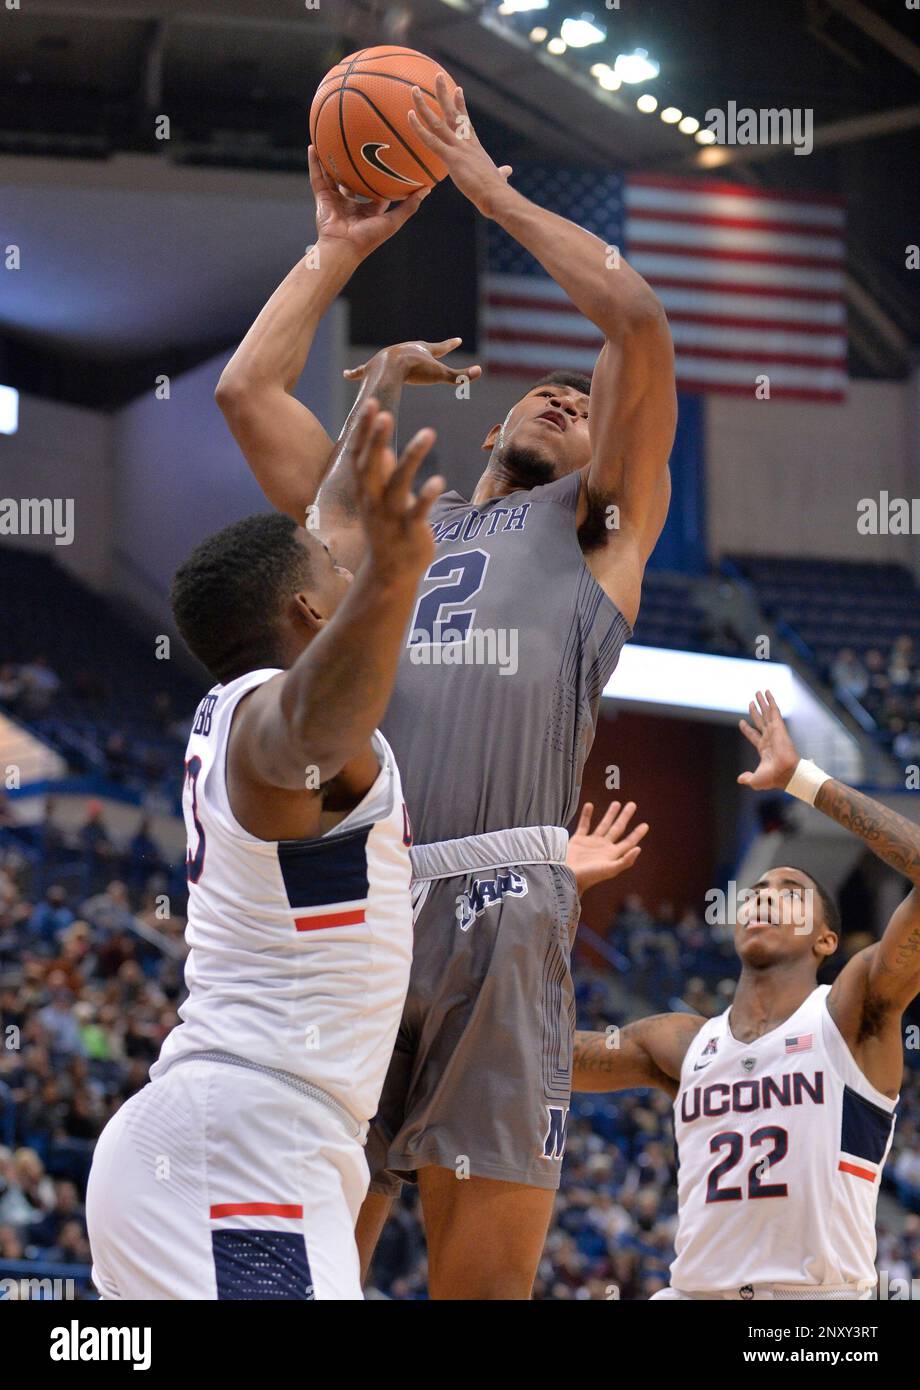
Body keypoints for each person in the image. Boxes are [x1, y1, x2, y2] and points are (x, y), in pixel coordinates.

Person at [217, 74, 674, 1299]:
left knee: (479, 1286)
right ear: (479, 431)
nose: (569, 397)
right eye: (542, 393)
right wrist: (331, 251)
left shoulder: (596, 535)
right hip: (355, 904)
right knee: (302, 1268)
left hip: (503, 902)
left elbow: (632, 321)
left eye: (583, 412)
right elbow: (246, 395)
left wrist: (479, 183)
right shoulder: (375, 530)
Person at [86, 406, 443, 1300]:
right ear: (310, 609)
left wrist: (380, 393)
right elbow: (303, 739)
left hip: (243, 1145)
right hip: (243, 1152)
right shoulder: (268, 716)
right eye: (337, 568)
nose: (348, 557)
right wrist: (394, 582)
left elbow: (319, 527)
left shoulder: (233, 703)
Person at [572, 690, 920, 1300]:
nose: (766, 893)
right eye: (758, 886)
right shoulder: (680, 1043)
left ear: (826, 939)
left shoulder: (851, 1014)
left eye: (789, 888)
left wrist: (804, 781)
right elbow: (538, 1058)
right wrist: (557, 897)